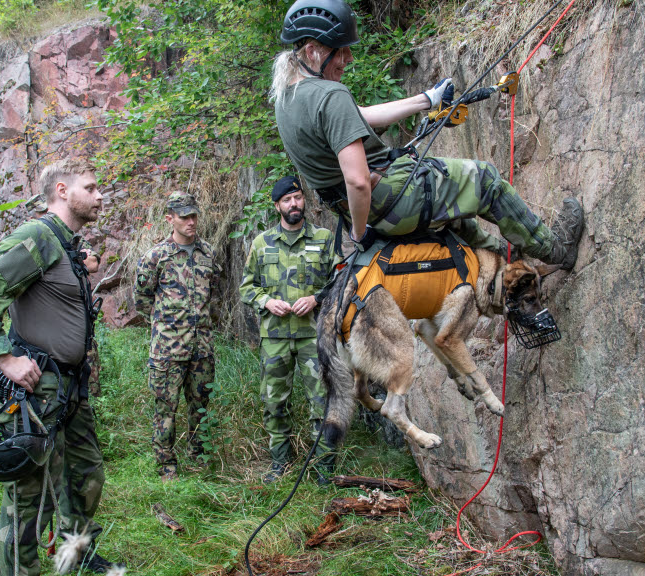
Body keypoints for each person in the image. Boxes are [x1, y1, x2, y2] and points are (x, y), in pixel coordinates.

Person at [271, 0, 584, 267]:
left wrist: (426, 99)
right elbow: (357, 180)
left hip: (371, 211)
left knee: (455, 212)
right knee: (485, 180)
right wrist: (358, 233)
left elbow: (359, 117)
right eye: (341, 52)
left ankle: (505, 259)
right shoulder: (329, 94)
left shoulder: (287, 99)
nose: (348, 59)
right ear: (312, 50)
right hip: (389, 202)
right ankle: (555, 250)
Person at [0, 158, 114, 575]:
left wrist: (80, 263)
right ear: (62, 191)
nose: (100, 195)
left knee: (86, 473)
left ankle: (74, 554)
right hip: (39, 388)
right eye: (91, 187)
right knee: (30, 493)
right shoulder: (37, 236)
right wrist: (5, 358)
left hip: (70, 388)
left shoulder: (63, 243)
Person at [239, 176, 339, 483]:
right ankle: (279, 463)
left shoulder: (324, 238)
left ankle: (323, 467)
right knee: (274, 401)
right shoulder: (261, 243)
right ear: (277, 206)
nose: (293, 204)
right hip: (275, 338)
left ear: (303, 200)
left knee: (322, 401)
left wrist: (316, 298)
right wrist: (267, 301)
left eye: (297, 197)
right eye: (286, 200)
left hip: (315, 336)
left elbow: (341, 281)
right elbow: (247, 288)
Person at [134, 191, 220, 482]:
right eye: (184, 217)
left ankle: (199, 455)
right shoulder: (156, 256)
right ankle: (166, 463)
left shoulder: (207, 253)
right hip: (168, 349)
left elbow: (213, 295)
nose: (191, 222)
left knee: (200, 405)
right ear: (170, 218)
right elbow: (142, 300)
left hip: (202, 348)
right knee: (165, 408)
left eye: (194, 215)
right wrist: (167, 326)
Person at [25, 192, 104, 397]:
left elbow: (93, 262)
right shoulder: (30, 241)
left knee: (87, 380)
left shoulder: (70, 238)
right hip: (44, 328)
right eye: (42, 213)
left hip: (77, 320)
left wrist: (68, 259)